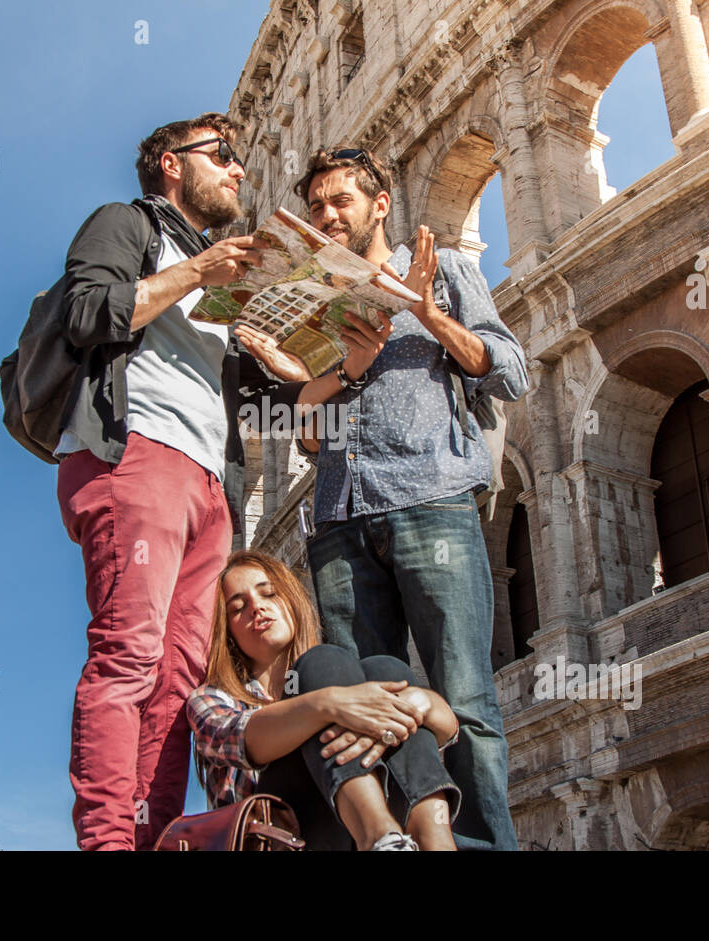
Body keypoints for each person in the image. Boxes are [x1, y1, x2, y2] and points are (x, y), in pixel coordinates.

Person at [265, 147, 530, 850]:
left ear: (380, 204)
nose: (327, 215)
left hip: (431, 499)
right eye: (317, 206)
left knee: (465, 697)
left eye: (339, 201)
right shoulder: (315, 300)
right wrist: (315, 373)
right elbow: (315, 442)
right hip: (338, 520)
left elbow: (510, 372)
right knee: (358, 703)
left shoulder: (444, 272)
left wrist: (427, 314)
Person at [52, 113, 304, 850]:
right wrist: (196, 271)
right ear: (170, 163)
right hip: (138, 457)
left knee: (180, 687)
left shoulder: (223, 279)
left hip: (210, 487)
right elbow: (87, 312)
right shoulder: (128, 226)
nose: (236, 169)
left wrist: (320, 365)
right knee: (128, 656)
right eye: (220, 155)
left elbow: (278, 409)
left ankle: (157, 837)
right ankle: (106, 843)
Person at [188, 550, 463, 850]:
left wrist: (421, 702)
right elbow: (239, 739)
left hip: (341, 832)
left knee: (386, 670)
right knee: (322, 663)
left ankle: (432, 842)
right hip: (281, 835)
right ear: (227, 632)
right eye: (238, 608)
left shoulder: (347, 681)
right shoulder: (210, 698)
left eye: (269, 594)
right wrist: (326, 704)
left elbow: (447, 730)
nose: (257, 608)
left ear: (292, 600)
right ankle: (379, 836)